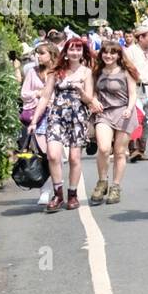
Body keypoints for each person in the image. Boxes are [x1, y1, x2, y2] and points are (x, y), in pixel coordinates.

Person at [28, 36, 98, 212]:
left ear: (82, 52)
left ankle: (72, 194)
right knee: (53, 155)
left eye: (78, 49)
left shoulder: (86, 72)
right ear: (65, 52)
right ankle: (58, 193)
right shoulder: (55, 71)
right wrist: (34, 120)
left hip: (78, 116)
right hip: (57, 114)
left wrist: (81, 90)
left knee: (74, 158)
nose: (75, 52)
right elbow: (45, 96)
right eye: (72, 49)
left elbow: (89, 99)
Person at [88, 42, 141, 206]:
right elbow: (93, 92)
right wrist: (94, 100)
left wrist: (129, 109)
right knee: (103, 148)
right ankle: (102, 181)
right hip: (103, 113)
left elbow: (133, 94)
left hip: (123, 113)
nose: (108, 56)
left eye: (112, 53)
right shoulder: (96, 72)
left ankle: (116, 186)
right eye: (105, 53)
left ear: (118, 55)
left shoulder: (126, 72)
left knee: (119, 152)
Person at [125, 23, 148, 162]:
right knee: (135, 118)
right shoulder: (130, 51)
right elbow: (126, 69)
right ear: (140, 38)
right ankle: (133, 149)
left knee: (147, 120)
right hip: (136, 88)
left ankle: (142, 149)